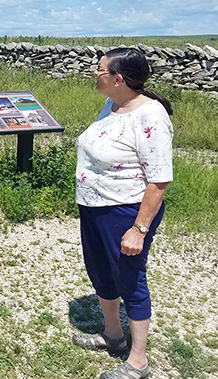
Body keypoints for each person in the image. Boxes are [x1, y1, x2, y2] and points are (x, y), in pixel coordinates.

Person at [72, 47, 174, 379]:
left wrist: (139, 228)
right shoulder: (112, 104)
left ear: (118, 79)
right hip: (95, 207)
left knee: (130, 280)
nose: (95, 75)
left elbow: (159, 180)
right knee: (101, 272)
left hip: (126, 211)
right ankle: (113, 336)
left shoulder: (151, 115)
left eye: (100, 70)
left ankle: (138, 361)